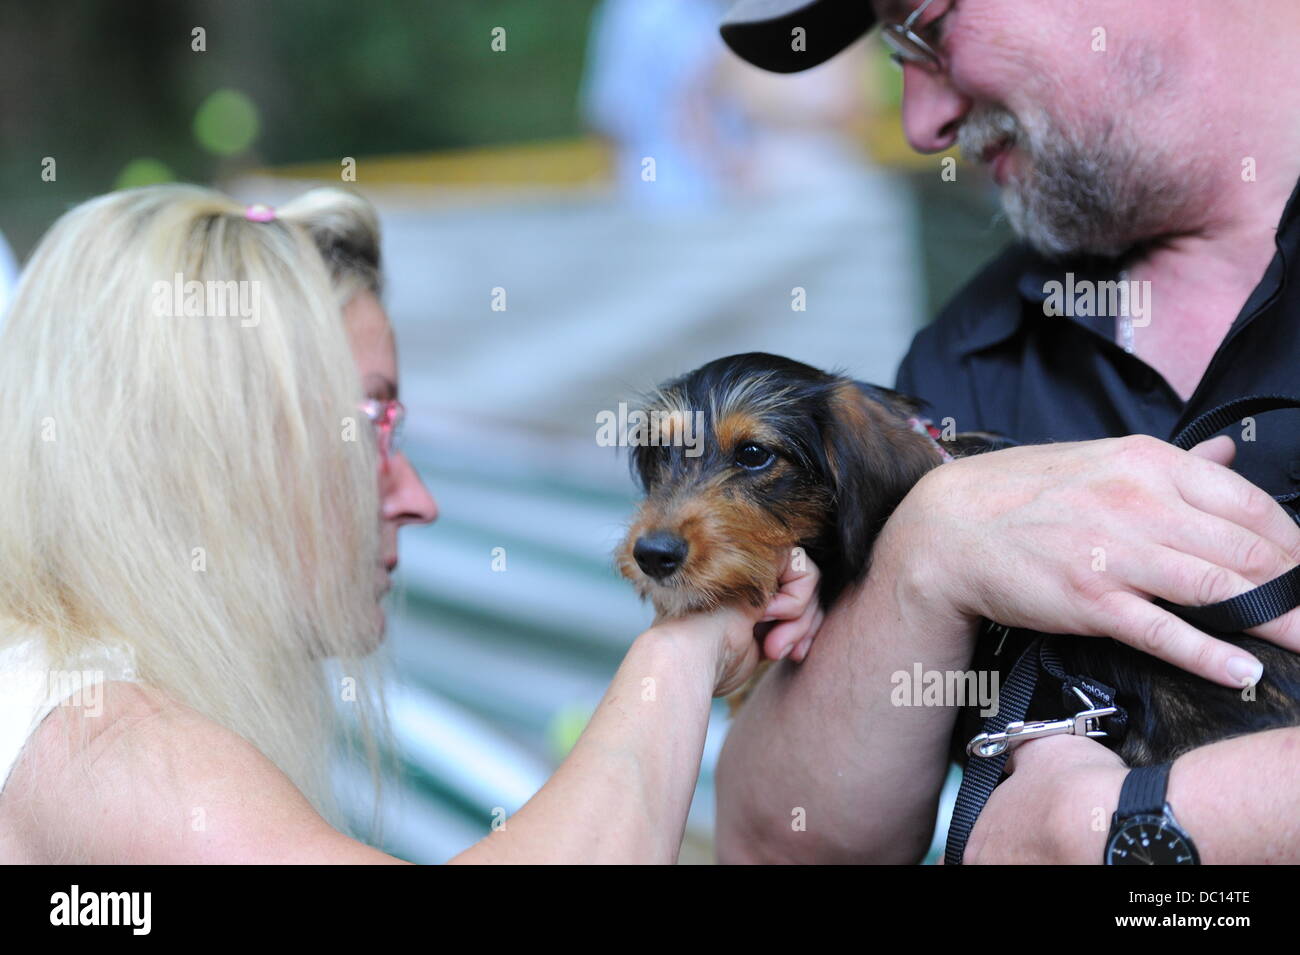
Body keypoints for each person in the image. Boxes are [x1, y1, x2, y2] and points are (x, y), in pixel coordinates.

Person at [0, 184, 821, 864]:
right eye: (370, 426)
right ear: (204, 446)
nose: (418, 497)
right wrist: (680, 654)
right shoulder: (97, 742)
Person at [713, 0, 1300, 863]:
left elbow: (1086, 840)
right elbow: (776, 849)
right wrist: (927, 551)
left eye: (923, 28)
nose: (922, 121)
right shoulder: (969, 363)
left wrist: (1127, 829)